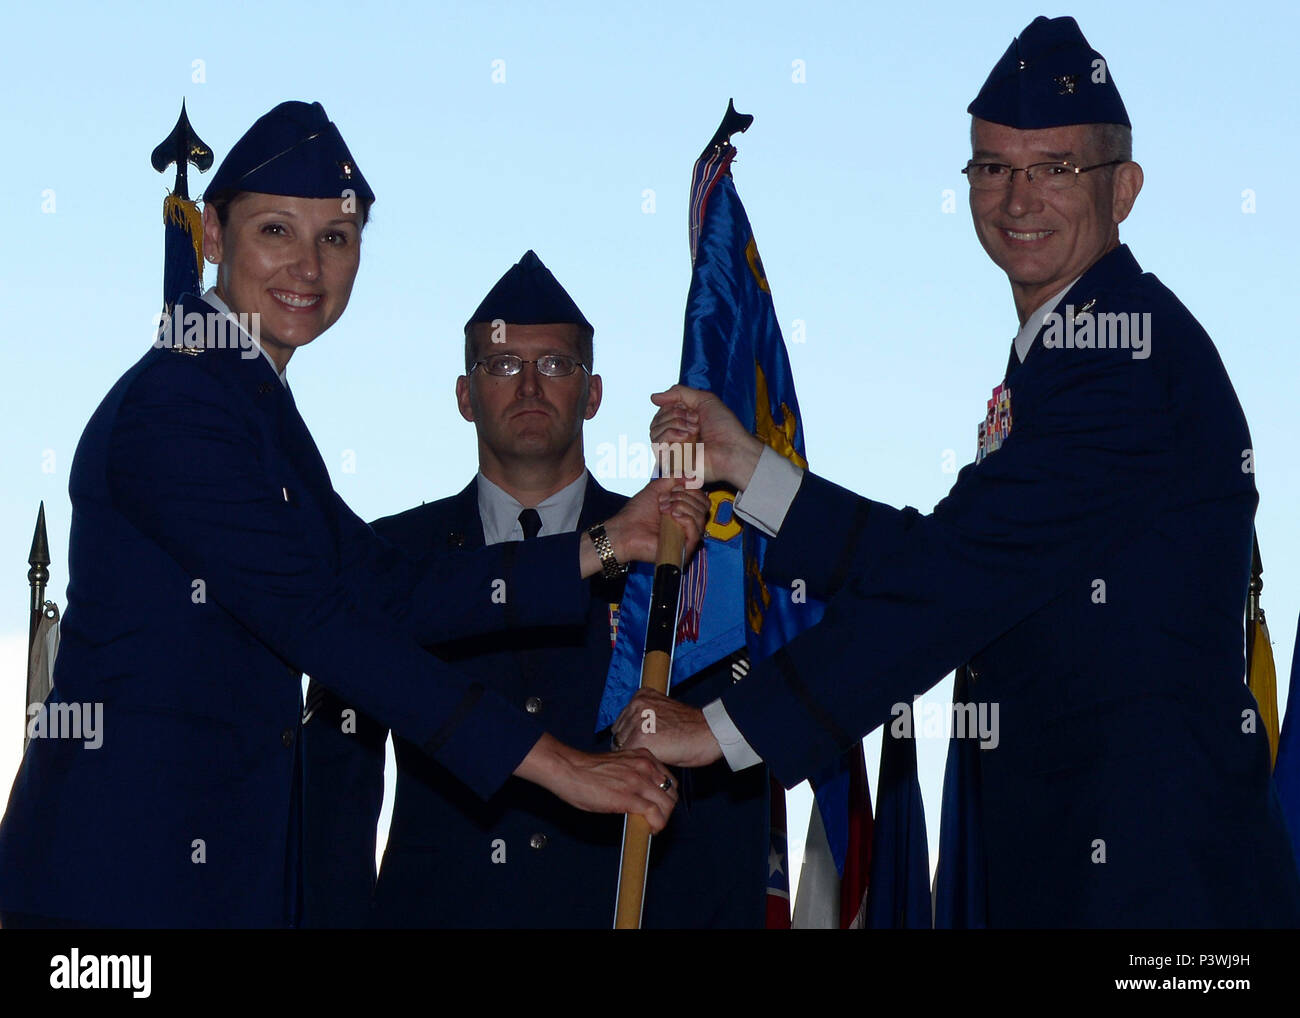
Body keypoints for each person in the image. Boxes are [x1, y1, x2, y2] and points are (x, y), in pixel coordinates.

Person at [615, 17, 1300, 927]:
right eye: (992, 167)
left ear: (1124, 188)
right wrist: (748, 465)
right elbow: (951, 555)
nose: (1018, 198)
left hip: (1154, 899)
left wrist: (722, 730)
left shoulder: (1124, 358)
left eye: (1056, 169)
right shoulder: (1066, 350)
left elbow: (951, 584)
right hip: (1072, 875)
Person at [0, 101, 704, 929]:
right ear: (213, 239)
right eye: (276, 232)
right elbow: (328, 625)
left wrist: (608, 541)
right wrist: (562, 768)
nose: (307, 266)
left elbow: (384, 585)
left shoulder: (249, 397)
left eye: (334, 238)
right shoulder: (181, 400)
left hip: (214, 876)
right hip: (125, 879)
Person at [302, 251, 768, 928]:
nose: (527, 387)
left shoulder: (677, 551)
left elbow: (727, 787)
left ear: (594, 391)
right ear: (465, 395)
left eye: (553, 364)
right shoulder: (393, 557)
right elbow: (336, 787)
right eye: (500, 365)